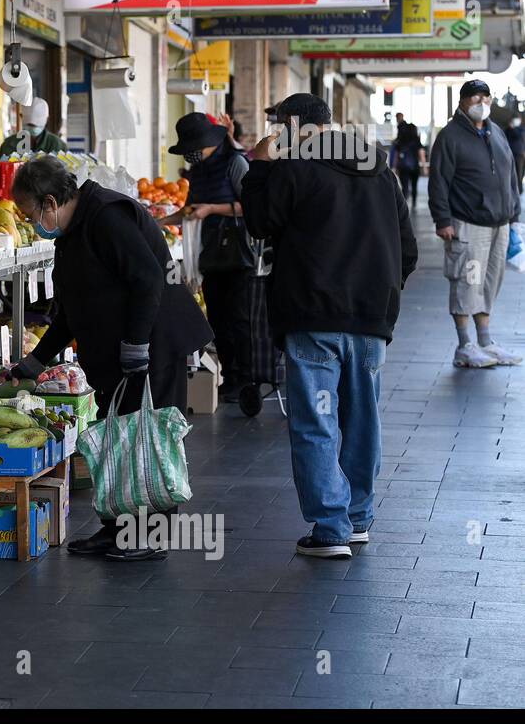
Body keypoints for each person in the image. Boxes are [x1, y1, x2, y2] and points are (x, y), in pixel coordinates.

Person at [9, 156, 212, 561]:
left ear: (49, 202)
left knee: (145, 438)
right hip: (117, 352)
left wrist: (136, 346)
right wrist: (35, 363)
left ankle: (150, 535)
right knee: (119, 438)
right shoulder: (71, 232)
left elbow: (148, 279)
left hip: (152, 342)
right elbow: (71, 312)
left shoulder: (106, 216)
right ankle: (117, 528)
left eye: (29, 212)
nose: (31, 221)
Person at [242, 94, 418, 560]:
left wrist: (260, 166)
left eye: (279, 127)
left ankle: (330, 527)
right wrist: (380, 292)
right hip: (370, 320)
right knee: (362, 420)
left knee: (316, 422)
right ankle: (357, 519)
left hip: (312, 316)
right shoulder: (380, 171)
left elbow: (259, 224)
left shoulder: (292, 168)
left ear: (295, 127)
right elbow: (409, 249)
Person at [427, 79, 522, 368]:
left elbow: (511, 176)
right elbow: (439, 181)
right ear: (462, 102)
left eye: (486, 98)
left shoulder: (496, 132)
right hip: (467, 222)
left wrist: (515, 214)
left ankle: (485, 341)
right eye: (475, 98)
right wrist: (442, 219)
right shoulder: (451, 136)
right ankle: (464, 345)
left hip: (500, 223)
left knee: (490, 282)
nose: (482, 104)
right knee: (468, 282)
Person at [159, 113, 253, 402]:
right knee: (217, 318)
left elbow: (251, 205)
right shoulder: (197, 171)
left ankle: (245, 380)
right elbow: (189, 209)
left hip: (236, 253)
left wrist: (212, 209)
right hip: (209, 253)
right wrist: (159, 221)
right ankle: (228, 377)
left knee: (238, 318)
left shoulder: (235, 163)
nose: (191, 154)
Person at [0, 97, 66, 156]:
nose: (33, 129)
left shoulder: (58, 146)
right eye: (29, 125)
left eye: (36, 125)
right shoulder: (9, 145)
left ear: (47, 119)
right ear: (21, 117)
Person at [390, 112, 425, 211]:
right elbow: (421, 153)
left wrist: (395, 166)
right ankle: (414, 203)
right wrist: (424, 167)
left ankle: (404, 206)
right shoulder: (416, 140)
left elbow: (397, 154)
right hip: (415, 166)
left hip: (404, 166)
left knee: (405, 187)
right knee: (414, 186)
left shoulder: (401, 141)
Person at [506, 115, 525, 192]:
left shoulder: (521, 129)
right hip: (508, 153)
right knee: (508, 171)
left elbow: (518, 136)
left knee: (518, 172)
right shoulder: (508, 129)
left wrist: (513, 128)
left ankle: (519, 189)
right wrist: (510, 128)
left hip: (519, 154)